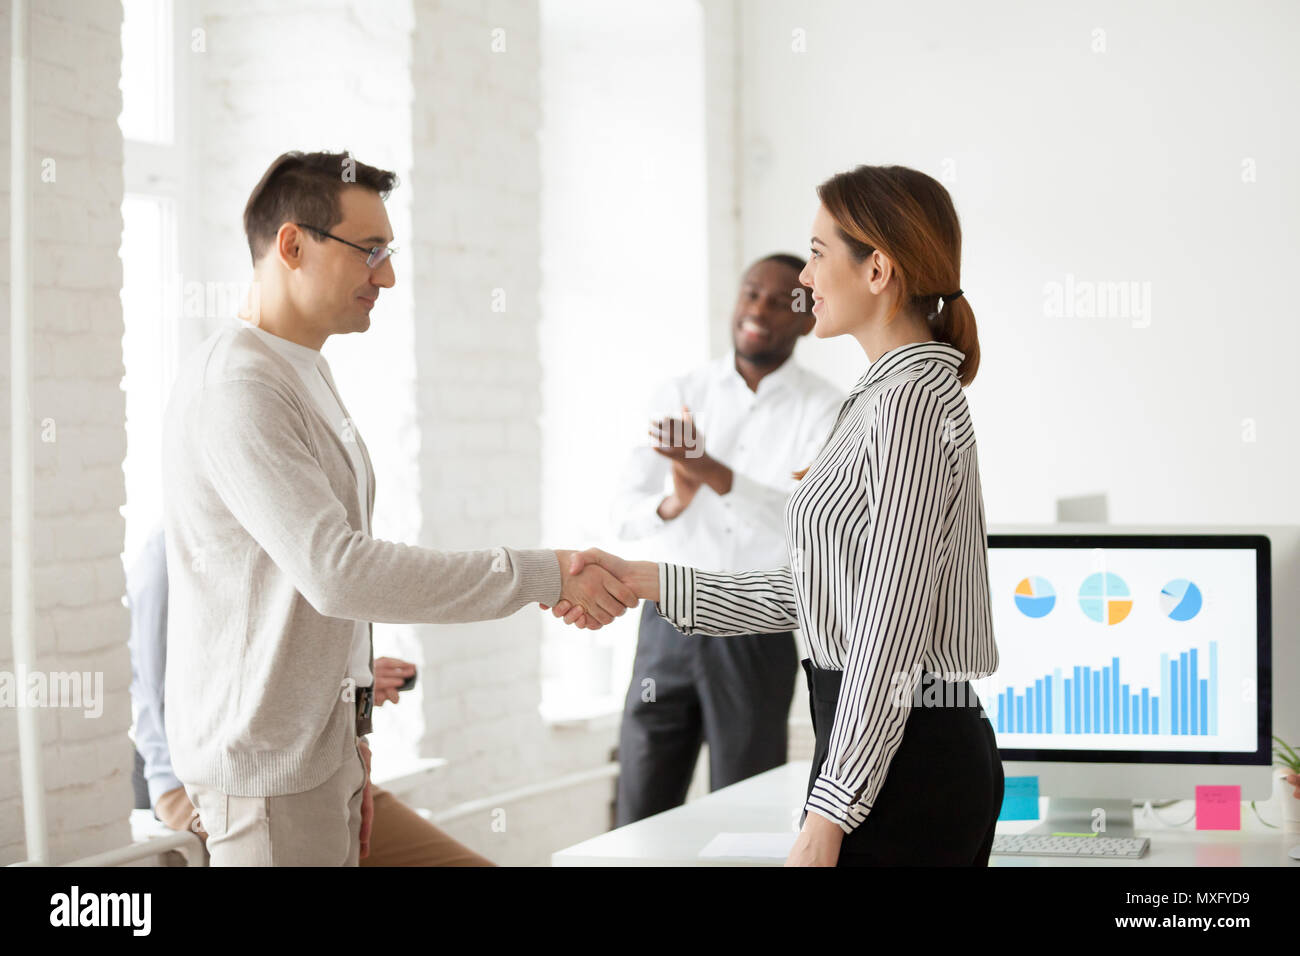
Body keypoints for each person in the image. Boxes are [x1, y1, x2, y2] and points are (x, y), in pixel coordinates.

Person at [161, 150, 637, 866]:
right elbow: (338, 571)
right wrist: (546, 575)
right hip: (269, 772)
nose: (386, 274)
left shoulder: (303, 370)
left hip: (323, 752)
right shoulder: (239, 384)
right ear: (293, 245)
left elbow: (302, 578)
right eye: (369, 251)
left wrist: (351, 694)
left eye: (389, 251)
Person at [548, 164, 1003, 867]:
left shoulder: (909, 401)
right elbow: (818, 590)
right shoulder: (885, 397)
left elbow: (889, 625)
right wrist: (647, 581)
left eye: (819, 253)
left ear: (877, 269)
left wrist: (832, 808)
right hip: (884, 752)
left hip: (904, 761)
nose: (806, 279)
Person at [605, 255, 842, 825]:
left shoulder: (827, 409)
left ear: (809, 318)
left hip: (755, 624)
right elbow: (621, 515)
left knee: (744, 805)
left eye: (780, 301)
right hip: (667, 621)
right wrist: (676, 499)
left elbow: (808, 526)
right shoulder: (681, 390)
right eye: (751, 293)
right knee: (640, 794)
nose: (758, 309)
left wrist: (711, 471)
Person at [126, 524, 496, 866]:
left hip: (321, 767)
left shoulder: (301, 543)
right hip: (205, 788)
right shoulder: (169, 555)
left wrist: (350, 686)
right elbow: (175, 711)